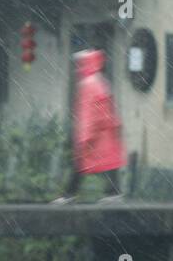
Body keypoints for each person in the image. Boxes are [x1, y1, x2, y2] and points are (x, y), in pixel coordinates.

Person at [54, 49, 126, 203]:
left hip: (95, 135)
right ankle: (113, 193)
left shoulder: (88, 84)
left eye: (80, 64)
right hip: (105, 133)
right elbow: (106, 109)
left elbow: (88, 113)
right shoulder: (101, 81)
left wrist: (85, 136)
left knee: (80, 165)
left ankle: (68, 195)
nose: (78, 68)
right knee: (107, 163)